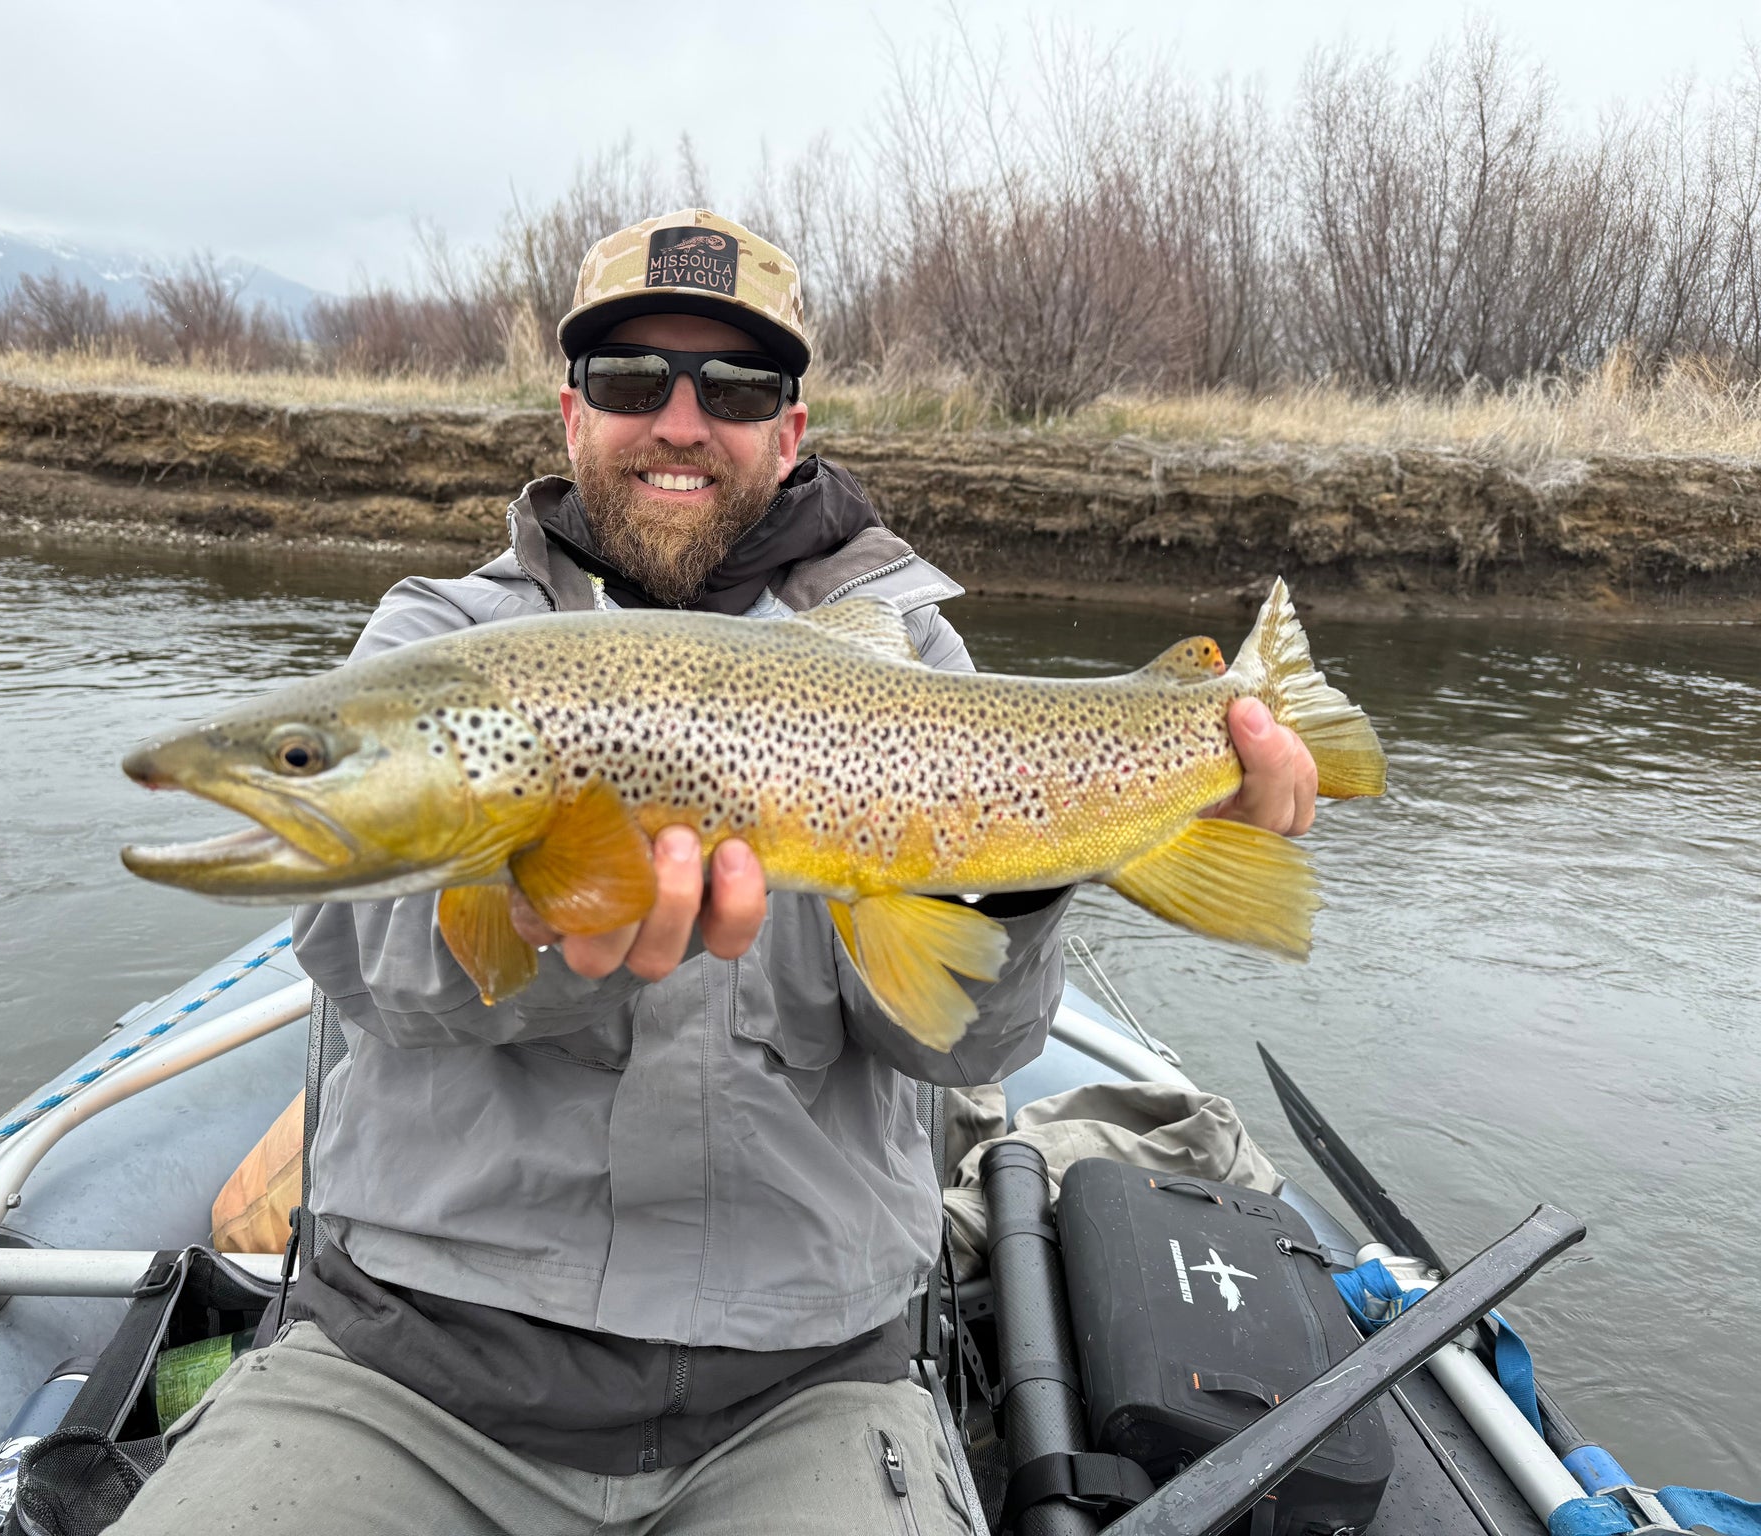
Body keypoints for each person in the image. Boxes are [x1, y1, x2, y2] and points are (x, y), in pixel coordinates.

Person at [109, 210, 1319, 1535]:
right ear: (571, 414)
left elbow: (956, 1045)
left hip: (804, 1384)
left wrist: (1024, 880)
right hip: (415, 1372)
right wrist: (558, 919)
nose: (680, 422)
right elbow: (377, 976)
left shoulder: (909, 652)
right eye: (634, 381)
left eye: (735, 389)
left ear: (789, 431)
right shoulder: (439, 636)